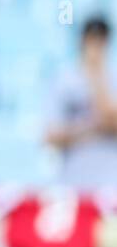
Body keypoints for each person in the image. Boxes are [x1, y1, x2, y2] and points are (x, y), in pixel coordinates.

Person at [45, 16, 117, 191]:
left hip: (110, 183)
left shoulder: (113, 78)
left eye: (101, 40)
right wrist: (90, 128)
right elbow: (50, 136)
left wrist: (96, 76)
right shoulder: (63, 79)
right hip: (72, 181)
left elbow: (112, 122)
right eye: (93, 39)